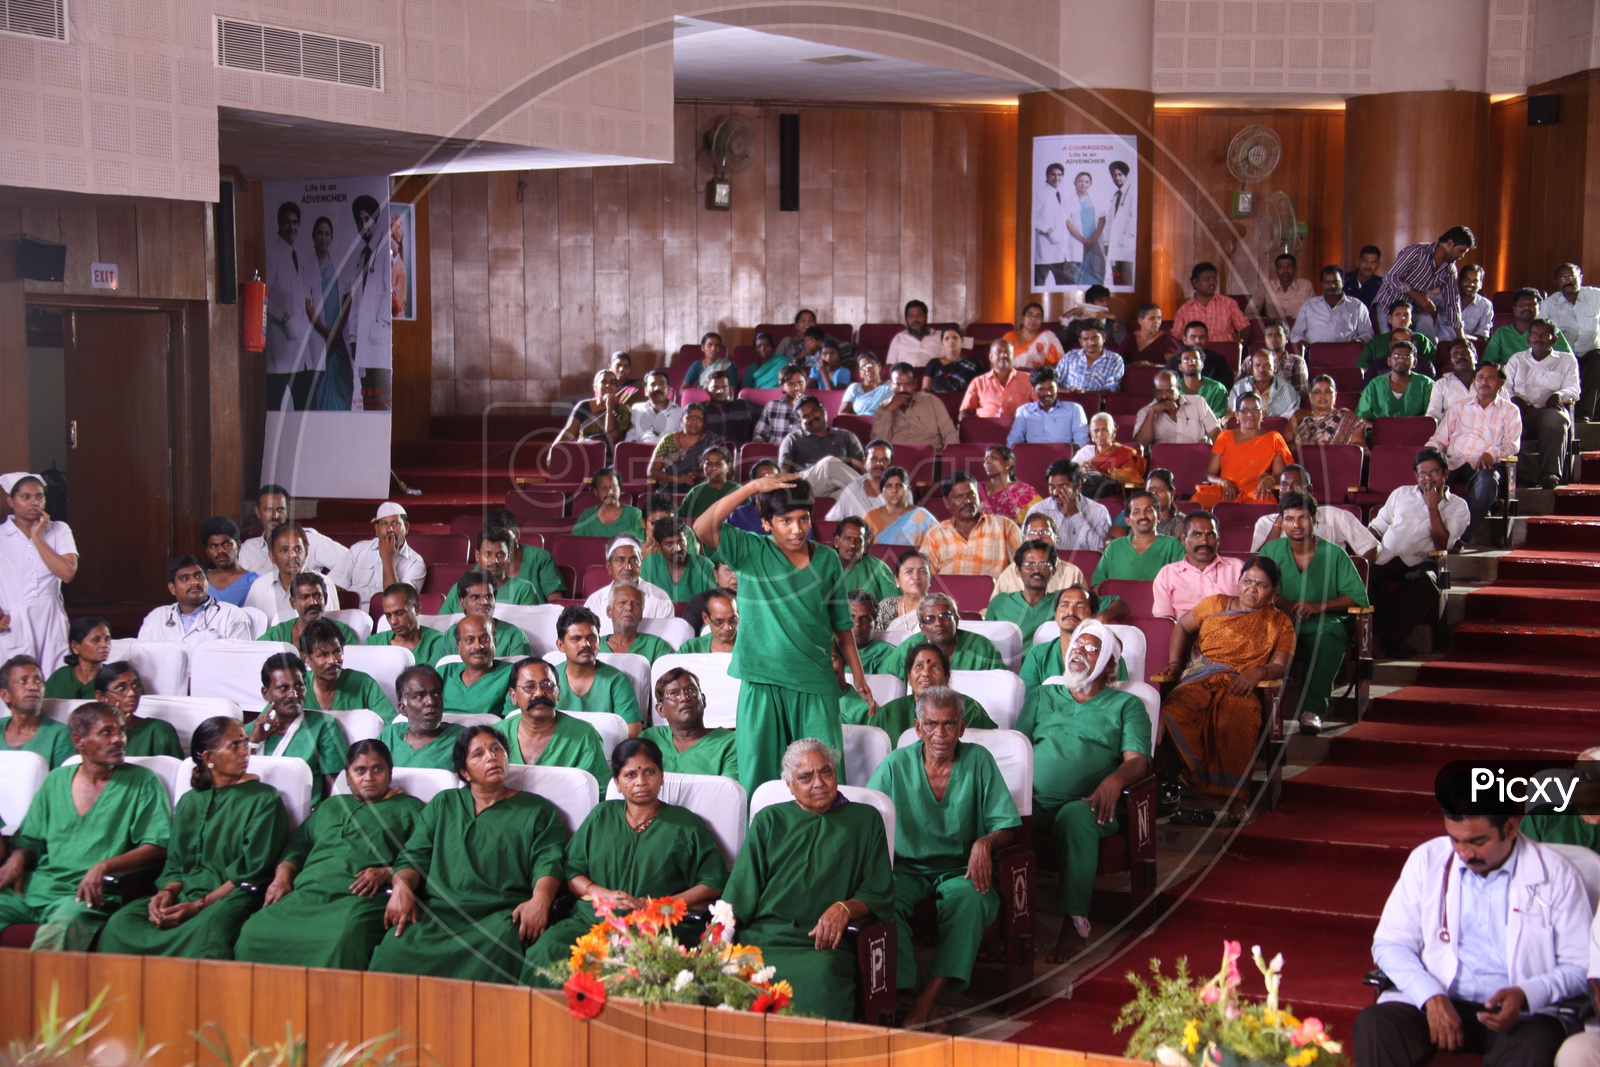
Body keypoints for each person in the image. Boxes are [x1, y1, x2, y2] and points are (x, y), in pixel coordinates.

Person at [1355, 770, 1589, 1067]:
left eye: (1477, 842)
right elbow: (1390, 944)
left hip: (1522, 1013)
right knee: (1376, 1025)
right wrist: (1430, 996)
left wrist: (1526, 993)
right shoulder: (1427, 860)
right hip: (1441, 998)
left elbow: (1581, 965)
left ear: (1511, 828)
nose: (1464, 854)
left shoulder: (1557, 875)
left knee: (1535, 1044)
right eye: (1455, 840)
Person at [692, 475, 873, 795]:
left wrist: (858, 676)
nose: (796, 528)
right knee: (760, 774)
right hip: (761, 682)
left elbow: (841, 626)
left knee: (823, 773)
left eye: (803, 518)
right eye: (785, 520)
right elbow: (702, 527)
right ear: (765, 523)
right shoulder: (749, 550)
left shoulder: (828, 559)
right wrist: (751, 489)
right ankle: (764, 838)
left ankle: (826, 840)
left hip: (815, 683)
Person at [867, 685, 1019, 1027]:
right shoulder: (894, 765)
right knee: (879, 899)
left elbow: (1006, 826)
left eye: (950, 724)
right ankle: (914, 993)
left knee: (973, 899)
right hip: (905, 869)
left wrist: (985, 843)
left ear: (963, 727)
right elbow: (869, 819)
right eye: (932, 724)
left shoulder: (979, 760)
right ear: (918, 728)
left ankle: (924, 1002)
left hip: (959, 870)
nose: (941, 733)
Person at [523, 736, 728, 985]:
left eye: (649, 772)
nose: (641, 781)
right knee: (545, 952)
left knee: (635, 971)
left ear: (662, 776)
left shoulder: (686, 824)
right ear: (617, 783)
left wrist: (657, 906)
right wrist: (603, 895)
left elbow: (712, 882)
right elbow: (572, 871)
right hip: (592, 922)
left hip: (656, 928)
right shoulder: (601, 816)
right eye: (630, 775)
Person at [369, 726, 566, 982]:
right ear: (464, 772)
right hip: (438, 912)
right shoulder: (444, 804)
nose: (491, 757)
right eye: (478, 754)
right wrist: (401, 889)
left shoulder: (536, 809)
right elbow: (414, 856)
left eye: (497, 749)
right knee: (393, 952)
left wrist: (541, 900)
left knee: (498, 955)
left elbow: (548, 861)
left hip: (500, 916)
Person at [723, 738, 895, 1020]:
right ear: (789, 785)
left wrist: (845, 908)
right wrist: (720, 934)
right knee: (725, 972)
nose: (819, 782)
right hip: (764, 936)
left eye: (826, 772)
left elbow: (878, 889)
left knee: (822, 977)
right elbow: (741, 889)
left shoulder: (865, 820)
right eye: (805, 777)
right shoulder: (769, 820)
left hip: (822, 944)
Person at [98, 716, 291, 959]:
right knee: (120, 924)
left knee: (207, 932)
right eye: (235, 745)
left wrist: (199, 905)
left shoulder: (264, 799)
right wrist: (166, 893)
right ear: (209, 758)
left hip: (231, 897)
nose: (245, 752)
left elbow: (250, 870)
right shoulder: (190, 802)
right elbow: (176, 865)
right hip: (183, 894)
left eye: (245, 742)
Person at [1016, 622, 1150, 957]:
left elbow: (1137, 761)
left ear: (1108, 665)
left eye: (1091, 649)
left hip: (1093, 804)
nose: (1078, 652)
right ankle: (1011, 929)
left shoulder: (1126, 706)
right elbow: (1015, 748)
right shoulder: (1042, 696)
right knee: (1001, 819)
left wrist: (1114, 780)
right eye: (1076, 646)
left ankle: (1074, 925)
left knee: (1074, 817)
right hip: (1036, 801)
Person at [233, 738, 425, 969]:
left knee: (343, 937)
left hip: (359, 899)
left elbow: (423, 855)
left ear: (389, 772)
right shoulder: (330, 806)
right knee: (254, 932)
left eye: (378, 769)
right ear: (347, 775)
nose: (369, 777)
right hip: (306, 893)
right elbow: (298, 847)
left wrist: (387, 872)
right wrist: (282, 878)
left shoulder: (411, 808)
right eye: (360, 770)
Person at [0, 702, 171, 950]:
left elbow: (158, 845)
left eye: (121, 731)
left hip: (89, 894)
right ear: (79, 741)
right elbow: (30, 838)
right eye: (107, 732)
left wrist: (104, 866)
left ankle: (36, 989)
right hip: (40, 886)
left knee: (62, 927)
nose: (118, 739)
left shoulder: (143, 782)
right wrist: (17, 859)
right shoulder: (56, 780)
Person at [1158, 556, 1295, 822]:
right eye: (1247, 581)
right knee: (1168, 718)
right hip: (1199, 679)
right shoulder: (1216, 604)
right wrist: (1175, 664)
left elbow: (1279, 665)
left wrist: (1258, 672)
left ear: (1275, 592)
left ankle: (1236, 800)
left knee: (1238, 719)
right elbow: (1182, 627)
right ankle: (1168, 790)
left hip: (1241, 684)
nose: (1251, 589)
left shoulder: (1280, 623)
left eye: (1261, 585)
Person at [1256, 492, 1369, 734]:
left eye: (1302, 518)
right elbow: (1255, 589)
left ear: (1314, 518)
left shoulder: (1334, 554)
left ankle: (1312, 711)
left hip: (1325, 622)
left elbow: (1357, 597)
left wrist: (1318, 606)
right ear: (1282, 522)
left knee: (1325, 639)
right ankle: (1256, 713)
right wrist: (1282, 601)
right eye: (1289, 519)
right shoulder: (1270, 551)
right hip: (1279, 620)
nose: (1296, 525)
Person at [1368, 448, 1470, 656]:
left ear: (1445, 473)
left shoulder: (1458, 506)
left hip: (1420, 562)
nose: (1428, 479)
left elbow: (1443, 543)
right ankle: (1368, 638)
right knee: (1362, 577)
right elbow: (1378, 526)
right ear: (1415, 475)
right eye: (1423, 474)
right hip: (1386, 557)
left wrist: (1433, 507)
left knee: (1427, 585)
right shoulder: (1401, 493)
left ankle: (1385, 640)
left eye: (1435, 473)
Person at [1426, 364, 1522, 541]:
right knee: (1428, 475)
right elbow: (1440, 438)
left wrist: (1491, 453)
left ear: (1501, 382)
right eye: (1480, 377)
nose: (1484, 382)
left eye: (1490, 378)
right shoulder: (1458, 407)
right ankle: (1425, 534)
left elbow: (1512, 445)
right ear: (1474, 381)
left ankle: (1462, 537)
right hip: (1453, 461)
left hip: (1485, 464)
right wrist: (1430, 452)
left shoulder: (1510, 410)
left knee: (1487, 480)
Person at [0, 472, 78, 671]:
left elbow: (67, 573)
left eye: (39, 496)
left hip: (52, 618)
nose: (34, 502)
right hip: (15, 621)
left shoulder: (59, 530)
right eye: (25, 497)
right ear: (11, 500)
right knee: (18, 683)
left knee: (53, 682)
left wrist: (37, 538)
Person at [493, 658, 610, 784]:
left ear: (558, 692)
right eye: (529, 686)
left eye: (547, 685)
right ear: (513, 695)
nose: (539, 693)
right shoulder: (495, 735)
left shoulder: (584, 735)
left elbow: (598, 790)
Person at [852, 639, 997, 738]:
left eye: (934, 667)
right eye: (919, 666)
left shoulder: (969, 709)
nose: (926, 673)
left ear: (947, 678)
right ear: (909, 677)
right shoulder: (888, 714)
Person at [1505, 319, 1580, 490]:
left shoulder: (1566, 360)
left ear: (1554, 339)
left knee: (1556, 420)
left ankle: (1550, 474)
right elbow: (1503, 387)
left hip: (1549, 410)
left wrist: (1559, 395)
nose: (1538, 338)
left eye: (1544, 335)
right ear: (1528, 339)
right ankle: (1523, 476)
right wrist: (1514, 398)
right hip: (1519, 410)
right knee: (1506, 420)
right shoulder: (1517, 359)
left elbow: (1574, 388)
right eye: (1534, 334)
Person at [1370, 226, 1477, 341]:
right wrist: (1419, 296)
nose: (1461, 256)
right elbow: (1390, 277)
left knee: (1428, 339)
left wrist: (1461, 338)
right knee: (1391, 342)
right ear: (1450, 243)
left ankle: (1426, 359)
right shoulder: (1416, 252)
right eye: (1461, 251)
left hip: (1415, 309)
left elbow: (1453, 303)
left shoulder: (1450, 270)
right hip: (1389, 305)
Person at [1249, 466, 1378, 559]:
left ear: (1310, 490)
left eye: (1296, 484)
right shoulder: (1265, 522)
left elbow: (1371, 549)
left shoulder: (1336, 516)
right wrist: (1279, 522)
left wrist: (1347, 578)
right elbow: (1257, 562)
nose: (1289, 490)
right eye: (1284, 485)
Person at [1190, 394, 1294, 509]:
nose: (1250, 414)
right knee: (1198, 501)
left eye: (1255, 409)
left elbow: (1282, 475)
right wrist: (1223, 482)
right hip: (1224, 491)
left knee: (1266, 502)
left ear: (1263, 413)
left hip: (1255, 491)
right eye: (1244, 410)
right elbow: (1210, 474)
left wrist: (1270, 479)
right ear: (1237, 416)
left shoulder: (1273, 438)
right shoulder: (1225, 437)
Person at [552, 606, 642, 733]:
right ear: (561, 645)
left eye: (591, 638)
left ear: (599, 641)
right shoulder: (548, 680)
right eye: (576, 639)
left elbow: (633, 734)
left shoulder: (617, 681)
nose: (585, 644)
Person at [235, 485, 354, 582]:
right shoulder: (248, 550)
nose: (275, 516)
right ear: (258, 512)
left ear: (287, 511)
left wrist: (326, 585)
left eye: (280, 510)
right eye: (268, 510)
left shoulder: (310, 540)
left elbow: (350, 563)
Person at [1091, 490, 1185, 611]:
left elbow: (1181, 587)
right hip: (1117, 616)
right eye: (1136, 512)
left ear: (1159, 516)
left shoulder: (1173, 546)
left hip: (1159, 615)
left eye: (1149, 510)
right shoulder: (1114, 547)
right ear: (1127, 520)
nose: (1143, 516)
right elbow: (1097, 587)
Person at [1020, 586, 1128, 688]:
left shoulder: (1110, 658)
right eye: (1064, 605)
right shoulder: (1037, 655)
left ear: (1093, 616)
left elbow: (1118, 701)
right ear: (1055, 615)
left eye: (1080, 607)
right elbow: (1028, 702)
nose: (1071, 611)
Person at [640, 668, 738, 778]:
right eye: (674, 694)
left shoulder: (730, 743)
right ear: (661, 709)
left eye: (691, 691)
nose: (684, 698)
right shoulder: (650, 738)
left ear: (703, 700)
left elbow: (729, 791)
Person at [137, 555, 254, 645]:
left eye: (198, 576)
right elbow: (143, 658)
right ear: (172, 588)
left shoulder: (231, 614)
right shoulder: (156, 617)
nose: (194, 582)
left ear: (208, 580)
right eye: (185, 579)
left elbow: (240, 660)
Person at [244, 524, 346, 626]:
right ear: (272, 557)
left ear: (306, 553)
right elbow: (252, 631)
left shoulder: (324, 583)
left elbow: (331, 630)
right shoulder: (259, 586)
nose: (292, 555)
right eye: (284, 550)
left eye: (298, 549)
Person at [925, 473, 1025, 576]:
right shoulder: (935, 534)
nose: (967, 501)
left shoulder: (1005, 526)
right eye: (959, 497)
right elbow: (924, 577)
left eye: (971, 495)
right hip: (947, 592)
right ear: (947, 502)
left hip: (994, 592)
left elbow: (1023, 569)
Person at [1152, 511, 1246, 619]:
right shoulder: (1168, 574)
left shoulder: (1237, 568)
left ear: (1218, 540)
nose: (1204, 542)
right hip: (1184, 634)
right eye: (1197, 534)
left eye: (1210, 535)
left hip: (1231, 631)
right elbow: (1164, 621)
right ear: (1183, 539)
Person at [264, 201, 313, 408]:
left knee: (304, 407)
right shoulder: (272, 254)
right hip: (281, 342)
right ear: (279, 224)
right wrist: (283, 317)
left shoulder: (297, 255)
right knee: (275, 408)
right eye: (287, 222)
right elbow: (263, 295)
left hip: (299, 344)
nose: (292, 227)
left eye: (295, 223)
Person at [299, 619, 396, 722]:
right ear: (306, 658)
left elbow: (390, 725)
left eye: (337, 652)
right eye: (323, 655)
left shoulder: (363, 684)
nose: (333, 660)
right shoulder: (298, 687)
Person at [896, 593, 1003, 680]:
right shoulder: (909, 647)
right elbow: (888, 682)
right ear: (922, 628)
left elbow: (1001, 687)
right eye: (930, 619)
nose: (938, 623)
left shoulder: (983, 648)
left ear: (956, 620)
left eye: (945, 616)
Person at [1542, 262, 1600, 420]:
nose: (1568, 281)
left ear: (1580, 278)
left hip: (1591, 353)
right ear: (1556, 282)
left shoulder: (1596, 296)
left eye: (1572, 277)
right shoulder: (1549, 305)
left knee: (1598, 360)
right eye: (1562, 278)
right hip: (1563, 356)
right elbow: (1540, 332)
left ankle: (1583, 416)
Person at [779, 396, 867, 498]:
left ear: (822, 409)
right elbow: (784, 472)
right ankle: (875, 495)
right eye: (805, 416)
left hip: (838, 485)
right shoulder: (792, 439)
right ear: (800, 421)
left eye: (814, 411)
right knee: (829, 463)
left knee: (849, 496)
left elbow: (859, 468)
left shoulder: (846, 436)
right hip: (807, 486)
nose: (812, 417)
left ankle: (873, 503)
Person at [377, 665, 462, 770]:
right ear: (403, 708)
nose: (431, 702)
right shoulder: (390, 735)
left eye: (436, 694)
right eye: (419, 696)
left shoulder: (461, 738)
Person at [344, 502, 426, 605]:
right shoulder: (358, 549)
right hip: (352, 611)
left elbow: (398, 602)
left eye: (396, 523)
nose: (389, 530)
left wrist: (387, 560)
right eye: (384, 524)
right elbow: (336, 586)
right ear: (376, 529)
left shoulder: (415, 562)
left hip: (386, 616)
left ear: (407, 527)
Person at [93, 662, 182, 757]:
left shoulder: (159, 731)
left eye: (135, 686)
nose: (132, 693)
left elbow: (172, 769)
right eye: (121, 688)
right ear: (101, 697)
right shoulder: (88, 733)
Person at [0, 655, 74, 767]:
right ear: (5, 695)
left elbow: (63, 781)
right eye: (22, 681)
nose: (33, 687)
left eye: (38, 681)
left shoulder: (60, 735)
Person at [1024, 459, 1111, 553]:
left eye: (1062, 487)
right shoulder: (1038, 510)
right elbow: (1026, 548)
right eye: (1052, 487)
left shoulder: (1098, 511)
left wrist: (1076, 515)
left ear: (1077, 485)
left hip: (1087, 567)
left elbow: (1101, 551)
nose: (1055, 492)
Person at [439, 614, 515, 716]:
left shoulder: (513, 674)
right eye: (470, 640)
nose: (478, 646)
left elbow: (510, 721)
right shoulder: (444, 671)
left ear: (494, 642)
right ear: (458, 646)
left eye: (485, 639)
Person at [987, 540, 1066, 638]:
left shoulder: (1062, 601)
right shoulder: (1001, 602)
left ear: (1053, 571)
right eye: (1029, 565)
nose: (1037, 570)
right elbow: (987, 640)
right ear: (1018, 571)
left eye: (1044, 565)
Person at [483, 508, 565, 602]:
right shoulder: (485, 562)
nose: (500, 544)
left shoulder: (541, 558)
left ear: (517, 534)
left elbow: (555, 604)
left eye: (505, 538)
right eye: (493, 540)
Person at [582, 536, 675, 619]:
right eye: (620, 560)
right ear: (609, 566)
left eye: (634, 560)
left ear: (641, 564)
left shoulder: (659, 598)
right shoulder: (595, 601)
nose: (628, 567)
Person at [363, 583, 453, 668]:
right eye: (388, 615)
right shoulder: (373, 643)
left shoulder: (438, 642)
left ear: (417, 609)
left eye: (399, 613)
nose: (393, 621)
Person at [873, 362, 957, 449]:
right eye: (898, 384)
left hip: (930, 458)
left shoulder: (932, 401)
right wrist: (889, 410)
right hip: (897, 459)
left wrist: (950, 457)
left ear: (915, 384)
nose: (903, 389)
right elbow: (879, 444)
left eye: (908, 384)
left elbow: (949, 432)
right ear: (891, 385)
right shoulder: (883, 407)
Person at [259, 572, 355, 647]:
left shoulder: (341, 630)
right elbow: (256, 655)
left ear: (325, 599)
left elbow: (357, 663)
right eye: (305, 597)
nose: (313, 602)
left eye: (317, 596)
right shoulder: (278, 633)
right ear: (293, 603)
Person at [1134, 370, 1221, 448]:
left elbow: (1215, 432)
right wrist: (1152, 412)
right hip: (1167, 461)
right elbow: (1141, 444)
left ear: (1179, 389)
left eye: (1169, 391)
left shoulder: (1198, 402)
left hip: (1199, 458)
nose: (1164, 396)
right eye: (1159, 392)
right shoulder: (1146, 411)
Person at [1291, 265, 1375, 344]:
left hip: (1347, 354)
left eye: (1335, 282)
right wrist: (1303, 344)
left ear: (1343, 283)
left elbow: (1367, 334)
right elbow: (1296, 333)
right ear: (1322, 284)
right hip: (1314, 354)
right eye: (1327, 282)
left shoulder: (1357, 305)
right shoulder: (1309, 305)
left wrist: (1357, 342)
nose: (1331, 286)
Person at [1006, 369, 1090, 449]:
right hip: (1032, 458)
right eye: (1042, 390)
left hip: (1064, 459)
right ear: (1034, 391)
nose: (1048, 393)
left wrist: (1063, 450)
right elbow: (1013, 440)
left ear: (1057, 388)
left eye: (1051, 388)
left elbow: (1082, 441)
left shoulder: (1074, 409)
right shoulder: (1024, 411)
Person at [640, 517, 716, 602]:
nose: (677, 548)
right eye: (669, 544)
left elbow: (714, 605)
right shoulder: (650, 564)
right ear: (659, 546)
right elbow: (642, 602)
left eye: (681, 542)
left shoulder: (705, 566)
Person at [1072, 412, 1146, 498]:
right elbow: (1070, 472)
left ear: (1113, 433)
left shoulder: (1125, 453)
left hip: (1110, 489)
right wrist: (1081, 469)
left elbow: (1129, 478)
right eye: (1096, 430)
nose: (1100, 434)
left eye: (1104, 430)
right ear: (1092, 435)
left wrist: (1099, 471)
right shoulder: (1086, 451)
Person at [1173, 262, 1249, 344]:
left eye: (1214, 279)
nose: (1212, 282)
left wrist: (1240, 346)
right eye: (1207, 279)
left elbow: (1245, 327)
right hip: (1197, 353)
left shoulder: (1229, 303)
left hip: (1225, 351)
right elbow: (1177, 336)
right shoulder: (1184, 309)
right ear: (1195, 283)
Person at [1358, 341, 1436, 421]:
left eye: (1407, 357)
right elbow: (1362, 417)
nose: (1401, 360)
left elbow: (1431, 417)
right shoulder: (1375, 384)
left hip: (1416, 431)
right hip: (1381, 431)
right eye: (1396, 356)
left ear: (1415, 363)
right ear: (1389, 361)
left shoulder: (1426, 384)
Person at [863, 465, 938, 547]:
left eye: (899, 486)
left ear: (908, 490)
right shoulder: (872, 517)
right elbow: (861, 549)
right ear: (882, 491)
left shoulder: (922, 517)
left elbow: (940, 545)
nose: (894, 490)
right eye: (889, 486)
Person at [1288, 373, 1367, 450]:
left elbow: (1359, 448)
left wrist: (1331, 450)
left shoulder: (1349, 418)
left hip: (1339, 461)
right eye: (1317, 392)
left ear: (1335, 396)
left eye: (1328, 391)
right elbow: (1285, 446)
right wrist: (1300, 447)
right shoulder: (1299, 417)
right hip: (1303, 462)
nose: (1323, 395)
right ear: (1310, 397)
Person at [1361, 304, 1440, 378]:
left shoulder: (1424, 361)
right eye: (1398, 314)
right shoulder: (1378, 361)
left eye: (1406, 315)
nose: (1402, 318)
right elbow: (1362, 364)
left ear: (1413, 343)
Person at [601, 584, 674, 664]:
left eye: (635, 604)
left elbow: (674, 674)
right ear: (609, 611)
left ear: (641, 615)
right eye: (622, 602)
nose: (629, 608)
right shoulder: (595, 645)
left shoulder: (655, 646)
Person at [833, 518, 899, 601]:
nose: (852, 545)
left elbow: (895, 603)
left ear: (865, 545)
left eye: (858, 540)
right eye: (847, 538)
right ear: (837, 541)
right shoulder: (824, 565)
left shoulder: (878, 567)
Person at [44, 616, 110, 699]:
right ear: (75, 647)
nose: (105, 645)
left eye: (107, 639)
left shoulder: (112, 678)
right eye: (96, 640)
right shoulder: (60, 677)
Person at [1110, 470, 1187, 541]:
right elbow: (1113, 540)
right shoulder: (1130, 514)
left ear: (1172, 493)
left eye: (1160, 490)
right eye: (1150, 490)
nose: (1154, 494)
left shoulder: (1182, 522)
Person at [200, 516, 259, 608]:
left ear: (238, 546)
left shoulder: (255, 581)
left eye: (227, 544)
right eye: (213, 546)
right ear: (207, 551)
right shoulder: (201, 579)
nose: (220, 550)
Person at [1227, 348, 1302, 420]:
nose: (1262, 369)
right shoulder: (1239, 388)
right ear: (1251, 369)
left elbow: (1288, 422)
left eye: (1267, 365)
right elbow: (1231, 415)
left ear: (1275, 368)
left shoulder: (1288, 391)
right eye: (1257, 365)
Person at [570, 468, 644, 540]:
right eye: (603, 488)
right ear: (595, 492)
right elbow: (575, 545)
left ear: (620, 489)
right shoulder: (586, 516)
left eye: (613, 487)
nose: (610, 492)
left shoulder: (635, 515)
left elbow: (643, 545)